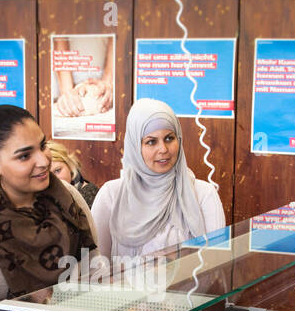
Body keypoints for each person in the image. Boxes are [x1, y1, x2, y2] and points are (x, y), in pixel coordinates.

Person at [0, 102, 98, 311]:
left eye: (42, 146)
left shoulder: (68, 197)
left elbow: (94, 273)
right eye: (24, 156)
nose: (43, 161)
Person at [91, 97, 225, 258]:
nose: (163, 149)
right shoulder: (112, 195)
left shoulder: (203, 194)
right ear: (135, 146)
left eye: (169, 138)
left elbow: (216, 263)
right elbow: (97, 265)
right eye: (151, 142)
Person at [46, 141, 99, 208]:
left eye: (57, 170)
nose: (54, 178)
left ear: (69, 166)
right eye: (47, 174)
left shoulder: (90, 195)